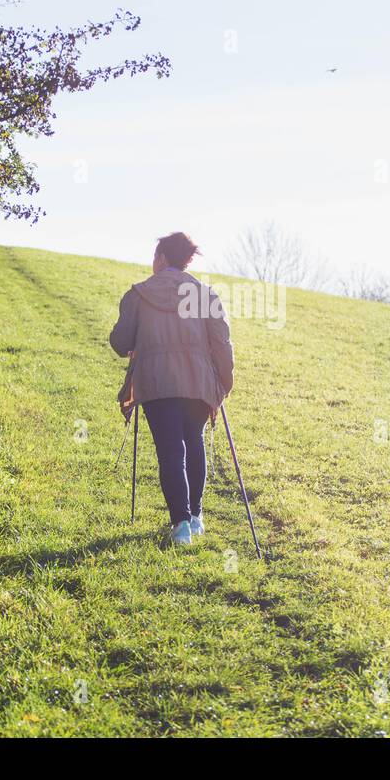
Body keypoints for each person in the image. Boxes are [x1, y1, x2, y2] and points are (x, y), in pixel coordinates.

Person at [110, 232, 234, 546]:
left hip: (157, 380)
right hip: (198, 380)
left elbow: (120, 342)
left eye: (155, 256)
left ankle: (180, 525)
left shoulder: (139, 294)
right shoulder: (205, 294)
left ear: (162, 258)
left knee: (169, 449)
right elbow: (222, 343)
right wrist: (224, 381)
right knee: (193, 440)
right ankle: (195, 517)